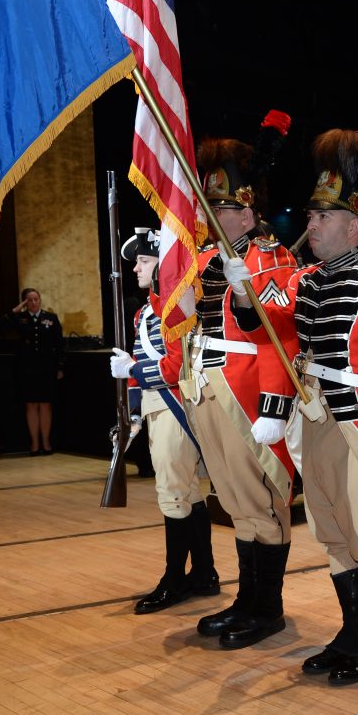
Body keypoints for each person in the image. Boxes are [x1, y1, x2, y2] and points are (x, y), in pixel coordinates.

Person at [229, 116, 358, 686]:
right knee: (331, 532)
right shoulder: (309, 279)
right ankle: (349, 632)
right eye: (313, 216)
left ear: (355, 228)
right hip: (313, 419)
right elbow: (262, 322)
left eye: (323, 217)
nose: (311, 224)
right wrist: (241, 283)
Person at [155, 113, 299, 650]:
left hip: (243, 386)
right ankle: (247, 598)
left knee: (260, 498)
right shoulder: (208, 257)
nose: (212, 214)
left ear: (246, 213)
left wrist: (271, 404)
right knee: (235, 500)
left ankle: (269, 606)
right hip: (204, 380)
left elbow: (279, 331)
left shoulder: (269, 254)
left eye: (222, 208)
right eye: (211, 206)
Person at [109, 228, 220, 614]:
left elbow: (176, 368)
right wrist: (133, 416)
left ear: (163, 264)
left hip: (175, 406)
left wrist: (133, 370)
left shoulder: (172, 309)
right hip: (157, 408)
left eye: (143, 260)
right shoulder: (147, 311)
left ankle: (175, 579)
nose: (136, 268)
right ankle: (203, 572)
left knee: (174, 494)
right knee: (188, 492)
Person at [9, 288, 64, 455]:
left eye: (36, 299)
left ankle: (46, 443)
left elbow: (59, 344)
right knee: (31, 405)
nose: (33, 303)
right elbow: (1, 324)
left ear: (40, 300)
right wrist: (17, 309)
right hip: (27, 369)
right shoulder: (21, 319)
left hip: (46, 368)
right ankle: (34, 443)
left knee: (46, 405)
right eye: (29, 300)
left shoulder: (50, 318)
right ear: (24, 302)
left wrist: (60, 366)